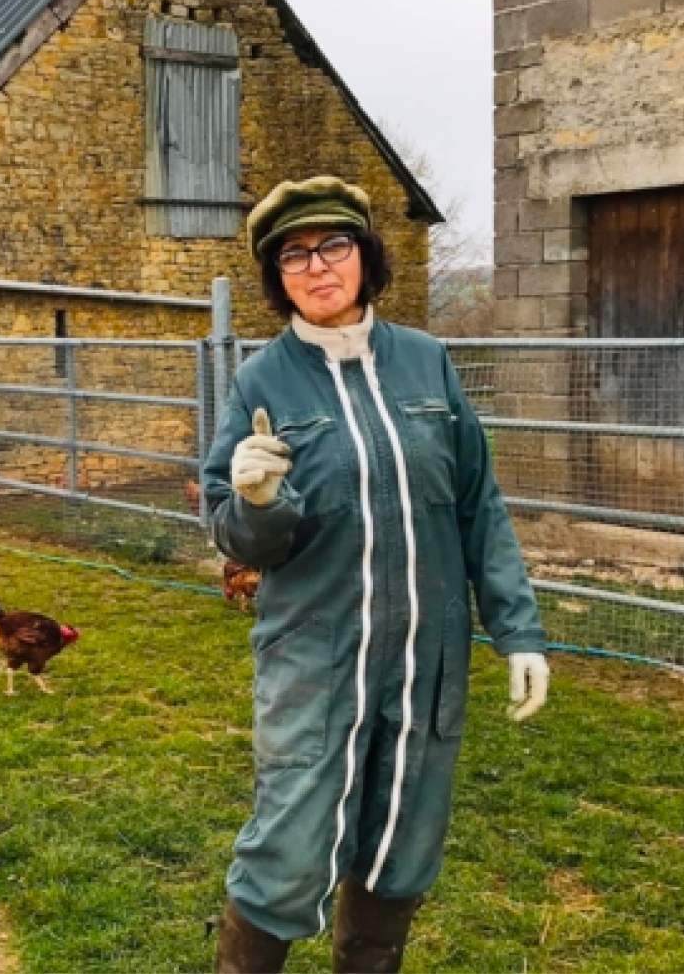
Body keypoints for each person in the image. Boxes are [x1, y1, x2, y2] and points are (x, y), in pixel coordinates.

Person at [202, 176, 550, 973]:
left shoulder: (426, 363)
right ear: (275, 276)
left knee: (401, 843)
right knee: (289, 846)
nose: (316, 266)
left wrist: (517, 629)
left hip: (428, 663)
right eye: (293, 255)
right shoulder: (264, 380)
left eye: (333, 245)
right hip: (314, 662)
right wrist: (256, 498)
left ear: (365, 255)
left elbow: (477, 507)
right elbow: (240, 535)